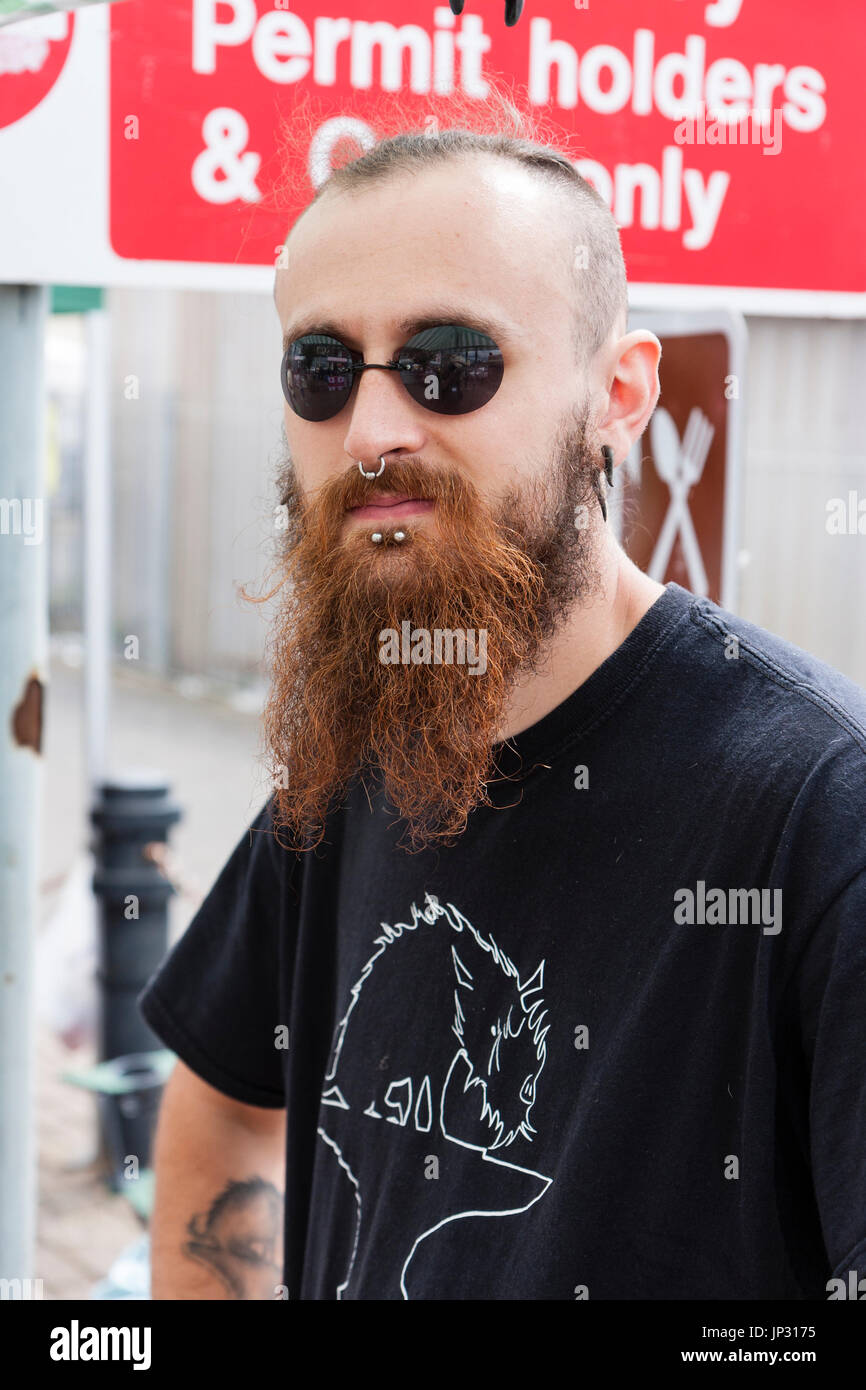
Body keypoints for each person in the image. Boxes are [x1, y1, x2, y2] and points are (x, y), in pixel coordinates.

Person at [139, 121, 866, 1301]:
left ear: (616, 397)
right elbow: (223, 1108)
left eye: (448, 362)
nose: (372, 431)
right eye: (321, 369)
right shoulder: (360, 748)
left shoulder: (819, 814)